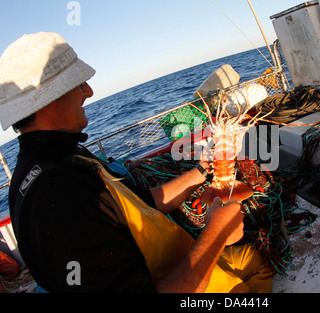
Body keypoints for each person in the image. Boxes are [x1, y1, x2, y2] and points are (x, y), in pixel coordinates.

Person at [0, 32, 273, 293]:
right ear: (47, 98)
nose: (89, 91)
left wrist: (200, 172)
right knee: (259, 271)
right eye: (77, 83)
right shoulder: (56, 195)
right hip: (172, 281)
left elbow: (143, 204)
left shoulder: (63, 158)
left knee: (254, 259)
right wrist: (215, 235)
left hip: (167, 265)